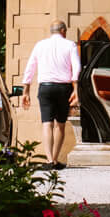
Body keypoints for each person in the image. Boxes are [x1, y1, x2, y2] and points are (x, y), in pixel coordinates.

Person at [21, 20, 81, 164]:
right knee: (60, 124)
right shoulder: (70, 45)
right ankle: (55, 159)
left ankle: (48, 160)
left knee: (47, 123)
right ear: (63, 31)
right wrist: (76, 90)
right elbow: (76, 67)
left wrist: (26, 90)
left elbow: (30, 67)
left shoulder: (40, 45)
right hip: (63, 88)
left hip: (45, 87)